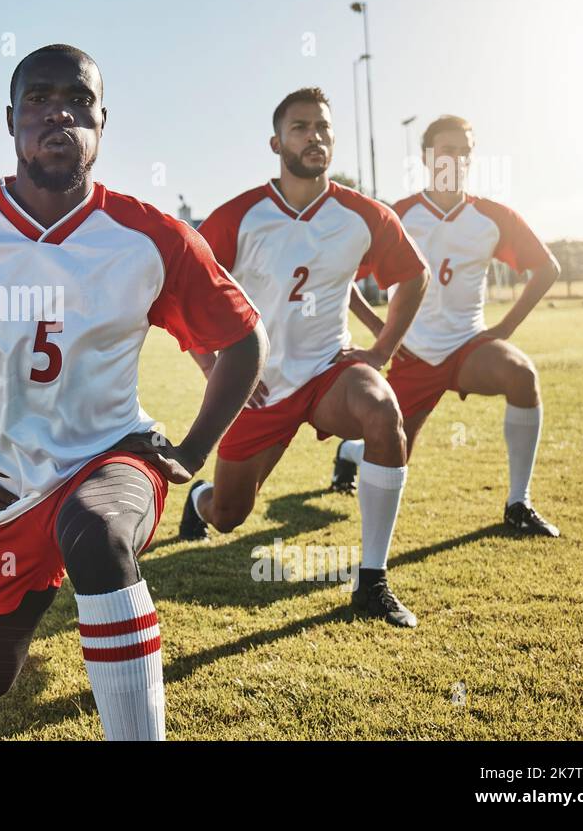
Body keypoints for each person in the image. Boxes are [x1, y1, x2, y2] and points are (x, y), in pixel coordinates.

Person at [0, 45, 266, 739]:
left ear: (102, 122)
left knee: (95, 532)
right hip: (0, 494)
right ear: (11, 121)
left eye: (78, 99)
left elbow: (244, 339)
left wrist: (191, 448)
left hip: (111, 460)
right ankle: (36, 585)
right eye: (38, 98)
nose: (58, 111)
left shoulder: (146, 236)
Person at [184, 87, 429, 628]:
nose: (314, 136)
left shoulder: (362, 215)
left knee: (383, 414)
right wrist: (214, 367)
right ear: (276, 142)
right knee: (229, 516)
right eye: (300, 127)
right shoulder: (238, 216)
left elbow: (414, 275)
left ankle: (372, 581)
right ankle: (199, 499)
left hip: (328, 370)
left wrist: (382, 348)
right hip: (259, 384)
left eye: (322, 127)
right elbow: (184, 290)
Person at [333, 115, 561, 537]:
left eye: (464, 150)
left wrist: (505, 329)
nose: (455, 158)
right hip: (412, 354)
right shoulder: (397, 215)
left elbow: (546, 268)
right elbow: (341, 273)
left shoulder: (491, 216)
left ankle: (518, 504)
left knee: (522, 375)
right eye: (446, 150)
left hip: (469, 347)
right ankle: (350, 453)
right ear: (425, 157)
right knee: (391, 453)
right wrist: (384, 333)